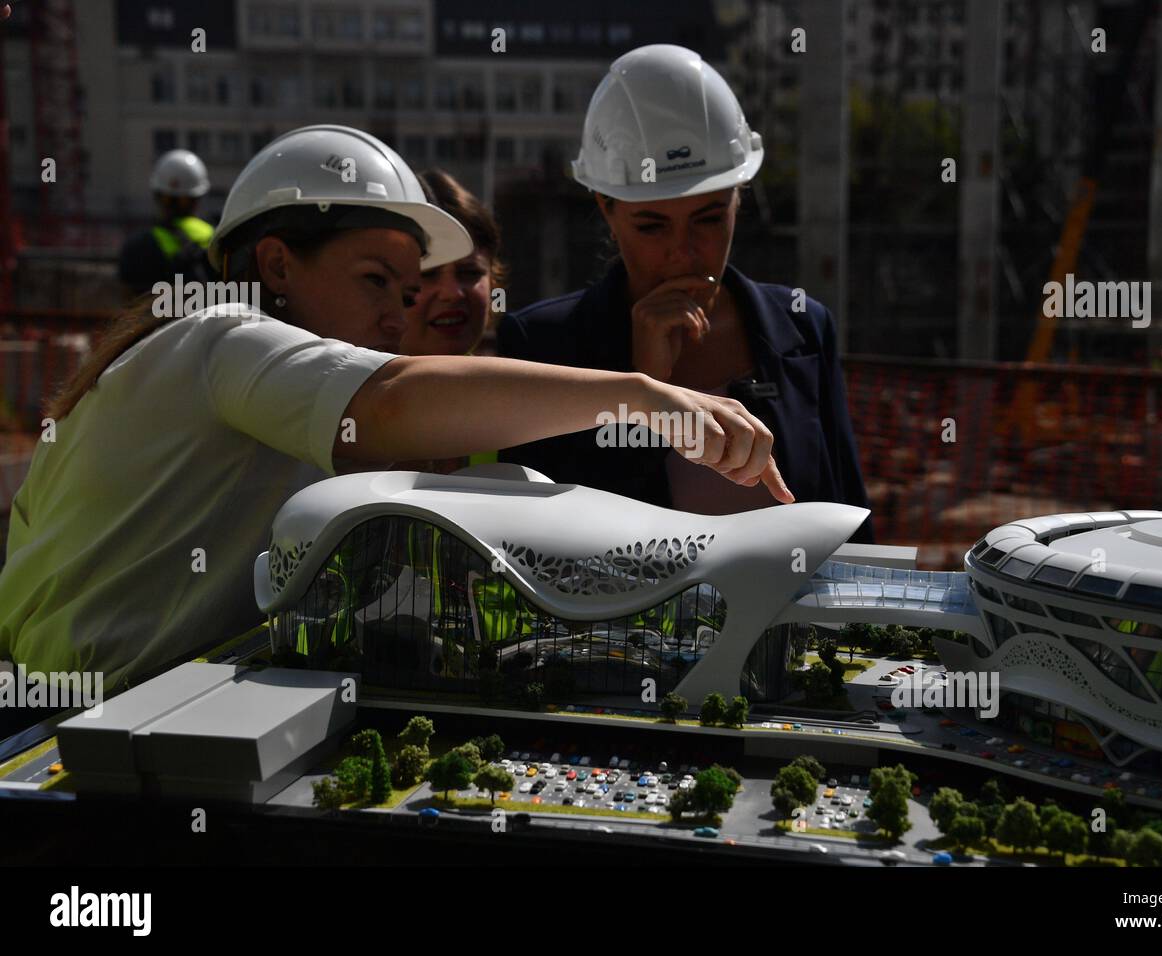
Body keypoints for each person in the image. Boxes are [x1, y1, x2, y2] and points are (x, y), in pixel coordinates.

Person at [0, 124, 791, 700]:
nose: (396, 314)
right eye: (377, 280)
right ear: (277, 263)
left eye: (406, 292)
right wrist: (640, 396)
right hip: (64, 748)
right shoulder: (219, 341)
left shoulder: (233, 378)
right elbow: (389, 397)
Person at [495, 44, 872, 542]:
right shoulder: (544, 346)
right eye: (652, 226)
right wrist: (641, 389)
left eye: (709, 219)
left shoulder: (803, 327)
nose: (683, 252)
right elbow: (542, 542)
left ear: (739, 199)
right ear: (606, 209)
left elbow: (848, 515)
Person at [394, 166, 503, 472]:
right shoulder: (341, 402)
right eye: (427, 275)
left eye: (470, 274)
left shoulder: (522, 401)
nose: (452, 293)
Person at [117, 149, 218, 295]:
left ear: (157, 196)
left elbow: (128, 298)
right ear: (198, 198)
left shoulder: (137, 246)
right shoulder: (216, 239)